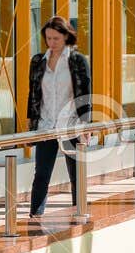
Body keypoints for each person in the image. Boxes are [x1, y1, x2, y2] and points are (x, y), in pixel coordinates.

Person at [27, 16, 92, 221]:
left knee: (75, 174)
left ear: (65, 37)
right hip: (46, 124)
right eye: (48, 38)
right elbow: (34, 93)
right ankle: (35, 217)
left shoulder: (76, 61)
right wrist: (31, 122)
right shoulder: (38, 61)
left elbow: (85, 94)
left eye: (56, 38)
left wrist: (85, 125)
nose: (51, 43)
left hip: (71, 124)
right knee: (41, 175)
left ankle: (78, 213)